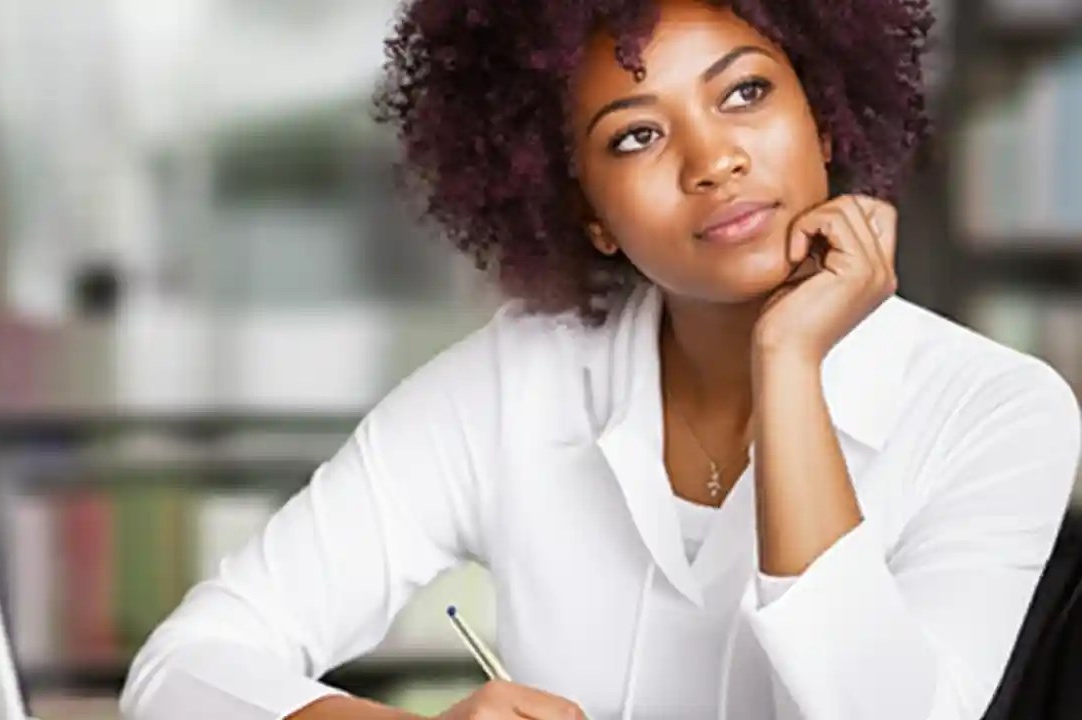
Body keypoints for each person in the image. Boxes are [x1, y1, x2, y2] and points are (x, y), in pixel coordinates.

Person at [120, 1, 1082, 718]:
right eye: (637, 135)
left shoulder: (998, 409)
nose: (713, 160)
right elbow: (184, 669)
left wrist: (788, 367)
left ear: (824, 119)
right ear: (588, 214)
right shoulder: (519, 378)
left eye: (745, 92)